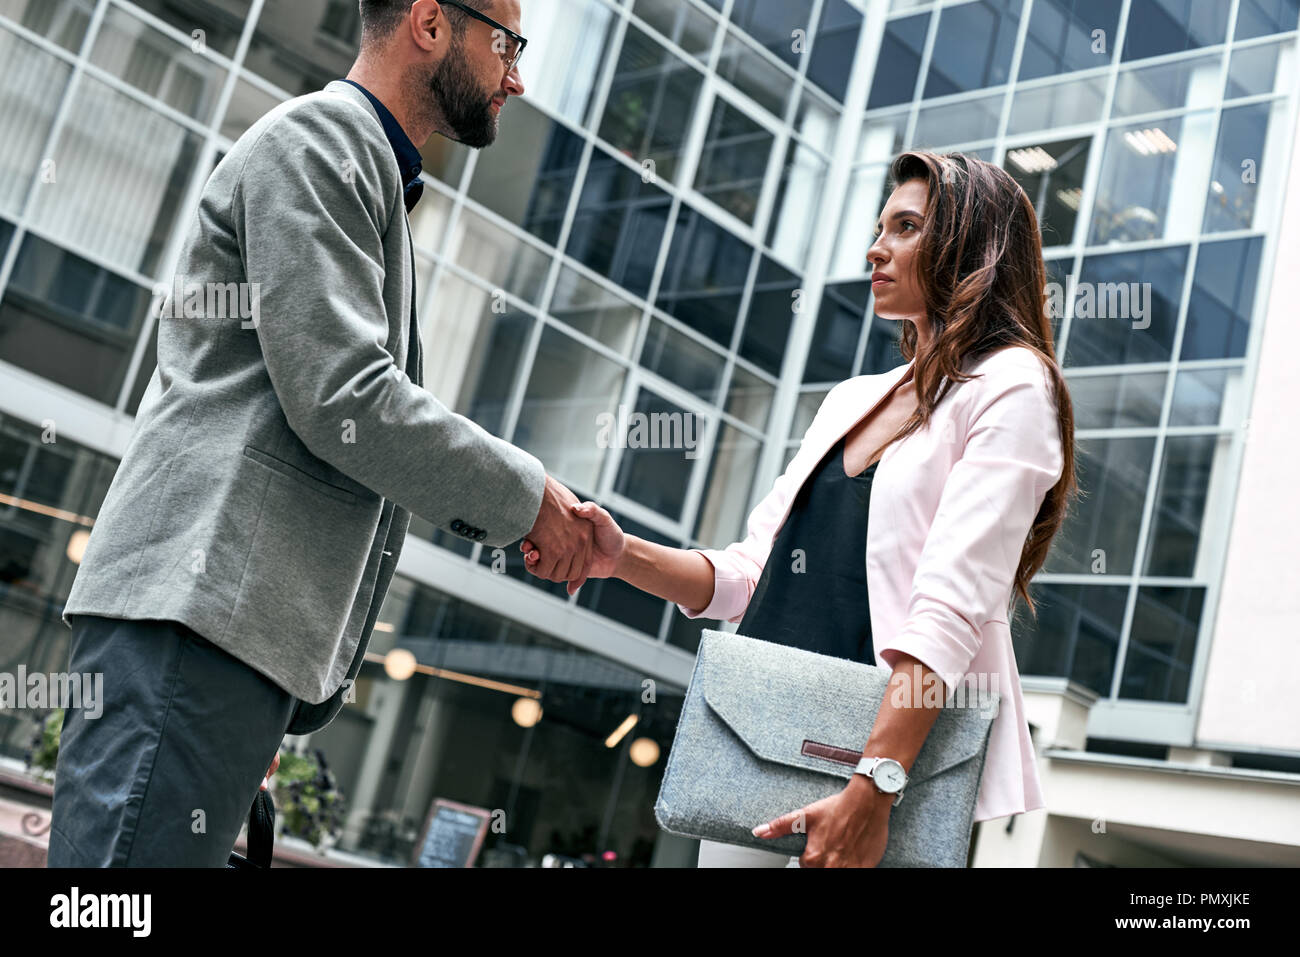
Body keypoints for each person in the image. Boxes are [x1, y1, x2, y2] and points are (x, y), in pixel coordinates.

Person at [47, 0, 592, 867]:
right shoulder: (321, 144)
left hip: (219, 636)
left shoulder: (360, 163)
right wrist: (527, 498)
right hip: (193, 624)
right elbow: (345, 395)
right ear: (428, 22)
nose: (516, 78)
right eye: (507, 45)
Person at [522, 150, 1080, 868]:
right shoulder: (852, 398)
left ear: (973, 246)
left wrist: (875, 786)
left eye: (906, 227)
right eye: (881, 227)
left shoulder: (1013, 385)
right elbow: (753, 573)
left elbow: (950, 605)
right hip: (758, 729)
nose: (876, 248)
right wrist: (619, 554)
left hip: (881, 768)